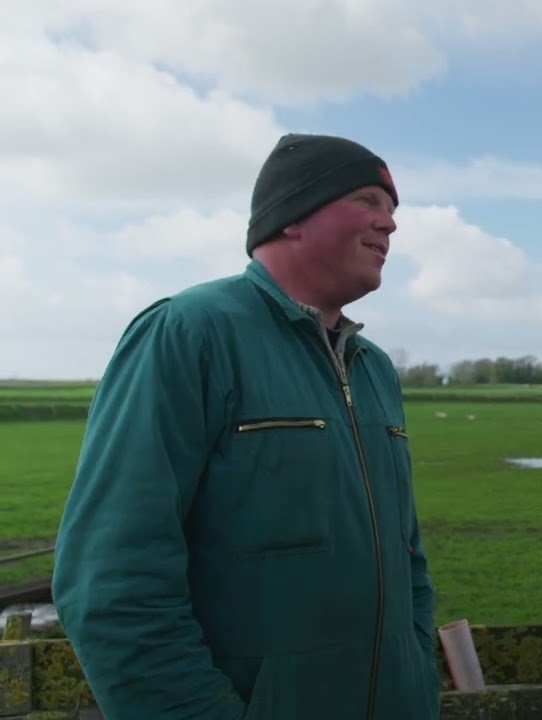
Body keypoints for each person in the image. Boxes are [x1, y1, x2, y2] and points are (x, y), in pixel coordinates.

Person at [52, 133, 441, 719]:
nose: (389, 223)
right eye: (367, 200)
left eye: (390, 208)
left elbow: (408, 559)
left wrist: (417, 682)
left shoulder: (375, 368)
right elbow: (112, 582)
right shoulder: (189, 333)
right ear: (292, 216)